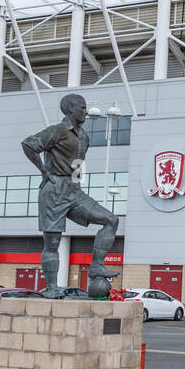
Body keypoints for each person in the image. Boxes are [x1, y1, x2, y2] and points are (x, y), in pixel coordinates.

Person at [21, 93, 120, 298]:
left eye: (85, 108)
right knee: (53, 242)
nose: (85, 111)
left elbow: (77, 166)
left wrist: (76, 184)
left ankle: (96, 266)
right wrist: (44, 171)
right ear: (70, 109)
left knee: (111, 219)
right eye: (81, 107)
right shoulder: (57, 131)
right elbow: (29, 144)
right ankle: (51, 287)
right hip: (54, 190)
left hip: (74, 190)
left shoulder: (84, 137)